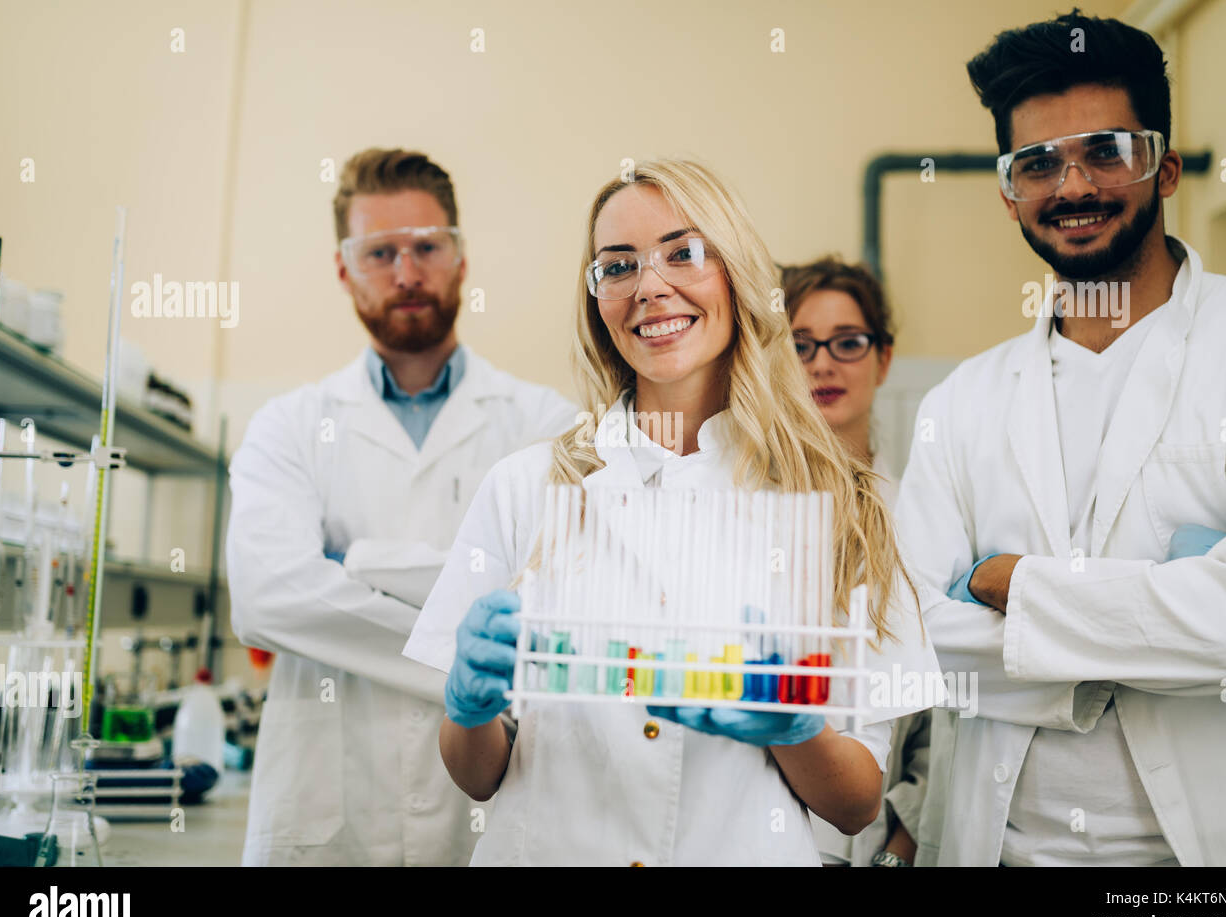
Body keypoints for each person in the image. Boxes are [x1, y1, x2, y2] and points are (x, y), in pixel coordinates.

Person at [402, 159, 945, 865]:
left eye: (683, 253)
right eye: (617, 265)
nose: (649, 287)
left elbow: (856, 804)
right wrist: (467, 708)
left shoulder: (846, 508)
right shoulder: (526, 487)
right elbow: (475, 776)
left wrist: (792, 727)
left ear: (738, 274)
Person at [894, 11, 1226, 866]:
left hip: (1189, 876)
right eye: (1037, 164)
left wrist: (1013, 584)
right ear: (1009, 193)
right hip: (996, 849)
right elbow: (916, 638)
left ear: (1165, 165)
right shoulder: (963, 402)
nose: (1072, 187)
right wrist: (1162, 606)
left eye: (1106, 150)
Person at [226, 148, 576, 866]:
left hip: (485, 810)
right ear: (343, 269)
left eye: (427, 246)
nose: (407, 272)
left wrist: (351, 565)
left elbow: (561, 602)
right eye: (380, 251)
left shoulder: (546, 425)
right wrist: (468, 653)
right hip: (326, 817)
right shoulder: (289, 426)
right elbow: (264, 597)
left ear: (461, 258)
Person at [783, 256, 929, 868]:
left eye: (847, 343)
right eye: (801, 345)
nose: (822, 363)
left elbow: (944, 720)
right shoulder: (752, 506)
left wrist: (900, 846)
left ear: (884, 357)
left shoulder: (922, 512)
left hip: (873, 843)